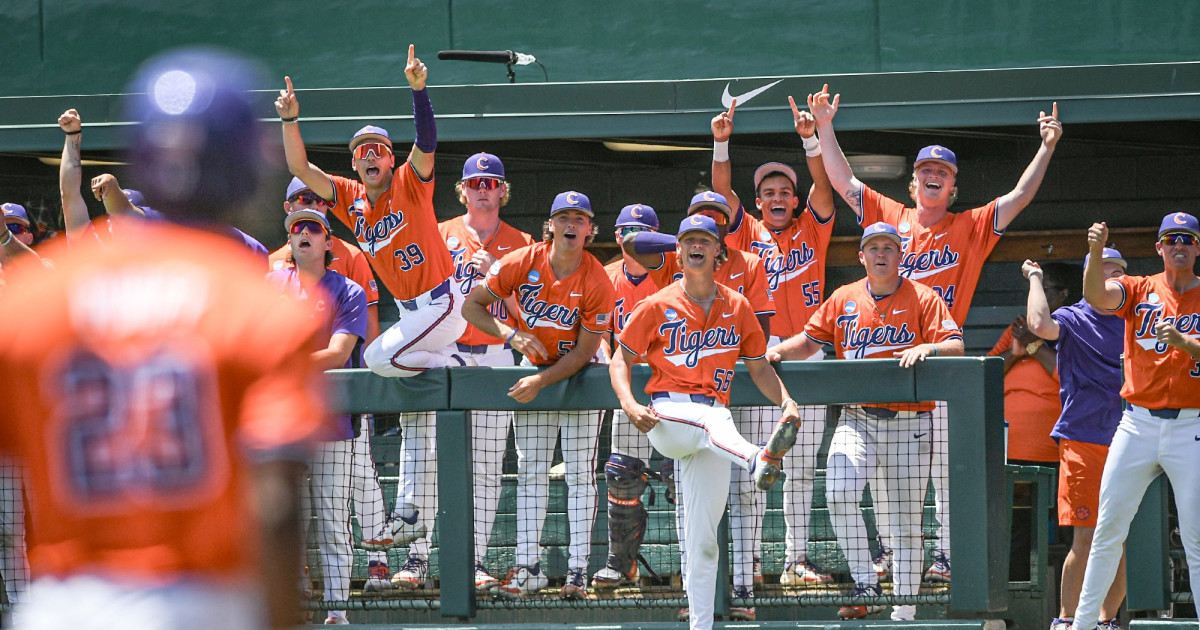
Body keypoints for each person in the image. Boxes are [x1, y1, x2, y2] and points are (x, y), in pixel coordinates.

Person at [0, 47, 324, 630]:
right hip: (201, 599)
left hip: (60, 604)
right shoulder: (256, 305)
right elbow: (273, 510)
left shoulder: (29, 300)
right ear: (243, 166)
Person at [809, 84, 1063, 580]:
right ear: (913, 184)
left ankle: (945, 555)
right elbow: (843, 182)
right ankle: (885, 563)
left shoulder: (969, 225)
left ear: (952, 187)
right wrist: (824, 125)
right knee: (883, 483)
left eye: (941, 173)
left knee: (948, 469)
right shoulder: (889, 219)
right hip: (883, 361)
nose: (931, 177)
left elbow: (1021, 196)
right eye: (925, 170)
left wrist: (1046, 146)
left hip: (940, 357)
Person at [275, 47, 465, 567]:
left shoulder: (409, 180)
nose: (369, 157)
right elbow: (298, 167)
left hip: (443, 303)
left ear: (388, 155)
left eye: (377, 149)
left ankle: (455, 363)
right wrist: (291, 121)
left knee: (380, 360)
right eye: (361, 152)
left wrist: (418, 91)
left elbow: (426, 142)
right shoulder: (349, 196)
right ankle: (411, 514)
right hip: (414, 316)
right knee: (416, 418)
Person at [611, 213, 802, 630]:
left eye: (705, 239)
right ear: (677, 252)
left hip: (714, 430)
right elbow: (620, 358)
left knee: (704, 542)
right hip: (669, 416)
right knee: (715, 422)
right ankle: (757, 460)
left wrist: (786, 401)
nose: (697, 245)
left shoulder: (737, 304)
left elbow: (759, 367)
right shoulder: (657, 303)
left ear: (720, 251)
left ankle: (701, 627)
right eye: (688, 240)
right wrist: (628, 403)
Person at [768, 222, 964, 622]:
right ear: (862, 256)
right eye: (873, 247)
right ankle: (866, 583)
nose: (881, 254)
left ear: (900, 254)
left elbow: (957, 345)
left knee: (907, 527)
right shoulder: (844, 297)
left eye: (889, 248)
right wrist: (777, 354)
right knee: (838, 492)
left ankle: (904, 613)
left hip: (909, 423)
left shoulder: (924, 298)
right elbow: (810, 340)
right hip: (857, 418)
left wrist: (930, 345)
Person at [710, 94, 838, 589]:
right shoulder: (745, 233)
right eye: (769, 191)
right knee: (754, 471)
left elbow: (824, 186)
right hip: (758, 359)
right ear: (758, 200)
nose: (778, 196)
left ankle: (795, 560)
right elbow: (721, 192)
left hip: (806, 351)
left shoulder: (813, 225)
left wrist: (810, 137)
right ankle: (748, 568)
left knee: (802, 468)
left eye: (786, 189)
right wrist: (722, 145)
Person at [462, 191, 615, 600]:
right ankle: (528, 567)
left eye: (579, 218)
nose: (571, 224)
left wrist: (541, 381)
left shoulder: (597, 279)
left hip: (584, 374)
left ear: (589, 228)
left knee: (581, 474)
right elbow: (472, 306)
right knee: (531, 473)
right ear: (550, 225)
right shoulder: (522, 262)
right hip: (535, 367)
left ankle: (578, 572)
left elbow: (585, 351)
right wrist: (509, 333)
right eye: (563, 217)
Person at [1070, 215, 1200, 630]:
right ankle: (1084, 624)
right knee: (1108, 528)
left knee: (1197, 539)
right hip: (1137, 422)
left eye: (1187, 239)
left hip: (1190, 425)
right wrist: (1094, 250)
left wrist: (1184, 342)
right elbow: (1095, 295)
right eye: (1169, 239)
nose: (1178, 245)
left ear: (1197, 248)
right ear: (1158, 247)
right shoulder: (1140, 287)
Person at [266, 178, 392, 592]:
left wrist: (283, 364)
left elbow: (339, 354)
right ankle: (295, 604)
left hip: (334, 420)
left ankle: (337, 608)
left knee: (334, 518)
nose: (304, 233)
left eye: (314, 227)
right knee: (287, 519)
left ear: (327, 241)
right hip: (283, 420)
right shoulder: (270, 285)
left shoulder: (347, 289)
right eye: (298, 227)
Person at [438, 152, 533, 594]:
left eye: (490, 181)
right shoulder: (441, 234)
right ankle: (420, 561)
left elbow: (529, 315)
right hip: (448, 352)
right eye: (474, 182)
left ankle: (473, 562)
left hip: (497, 352)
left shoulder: (525, 242)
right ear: (463, 190)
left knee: (488, 466)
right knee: (434, 463)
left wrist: (495, 278)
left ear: (502, 190)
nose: (481, 188)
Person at [1022, 251, 1127, 630]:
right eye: (1104, 272)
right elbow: (1038, 324)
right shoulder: (1073, 315)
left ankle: (1107, 622)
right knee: (1085, 538)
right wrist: (1035, 278)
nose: (1112, 279)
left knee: (1117, 540)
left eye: (1117, 272)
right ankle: (1067, 621)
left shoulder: (1136, 318)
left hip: (1131, 440)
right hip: (1082, 440)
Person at [594, 203, 663, 590]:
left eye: (641, 231)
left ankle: (698, 571)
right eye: (625, 231)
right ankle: (621, 563)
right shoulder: (604, 278)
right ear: (616, 236)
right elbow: (598, 334)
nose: (631, 238)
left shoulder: (674, 274)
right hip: (631, 388)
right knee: (621, 476)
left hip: (674, 385)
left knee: (681, 478)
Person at [987, 263, 1078, 465]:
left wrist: (1034, 345)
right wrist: (1013, 354)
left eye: (1043, 289)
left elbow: (1070, 376)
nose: (1037, 295)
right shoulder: (1019, 328)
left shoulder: (1073, 327)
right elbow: (986, 374)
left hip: (1048, 447)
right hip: (1002, 444)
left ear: (1063, 294)